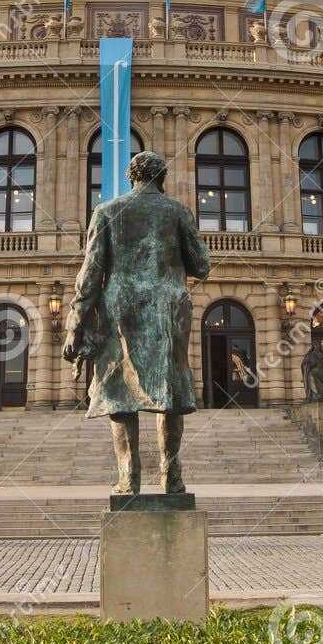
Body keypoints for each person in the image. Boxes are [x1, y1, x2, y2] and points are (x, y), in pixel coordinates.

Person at [64, 150, 210, 494]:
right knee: (169, 389)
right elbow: (201, 265)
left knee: (119, 391)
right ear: (162, 177)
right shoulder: (178, 212)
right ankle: (172, 476)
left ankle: (128, 478)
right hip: (168, 309)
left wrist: (76, 318)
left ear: (132, 176)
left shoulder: (106, 212)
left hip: (120, 309)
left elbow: (90, 273)